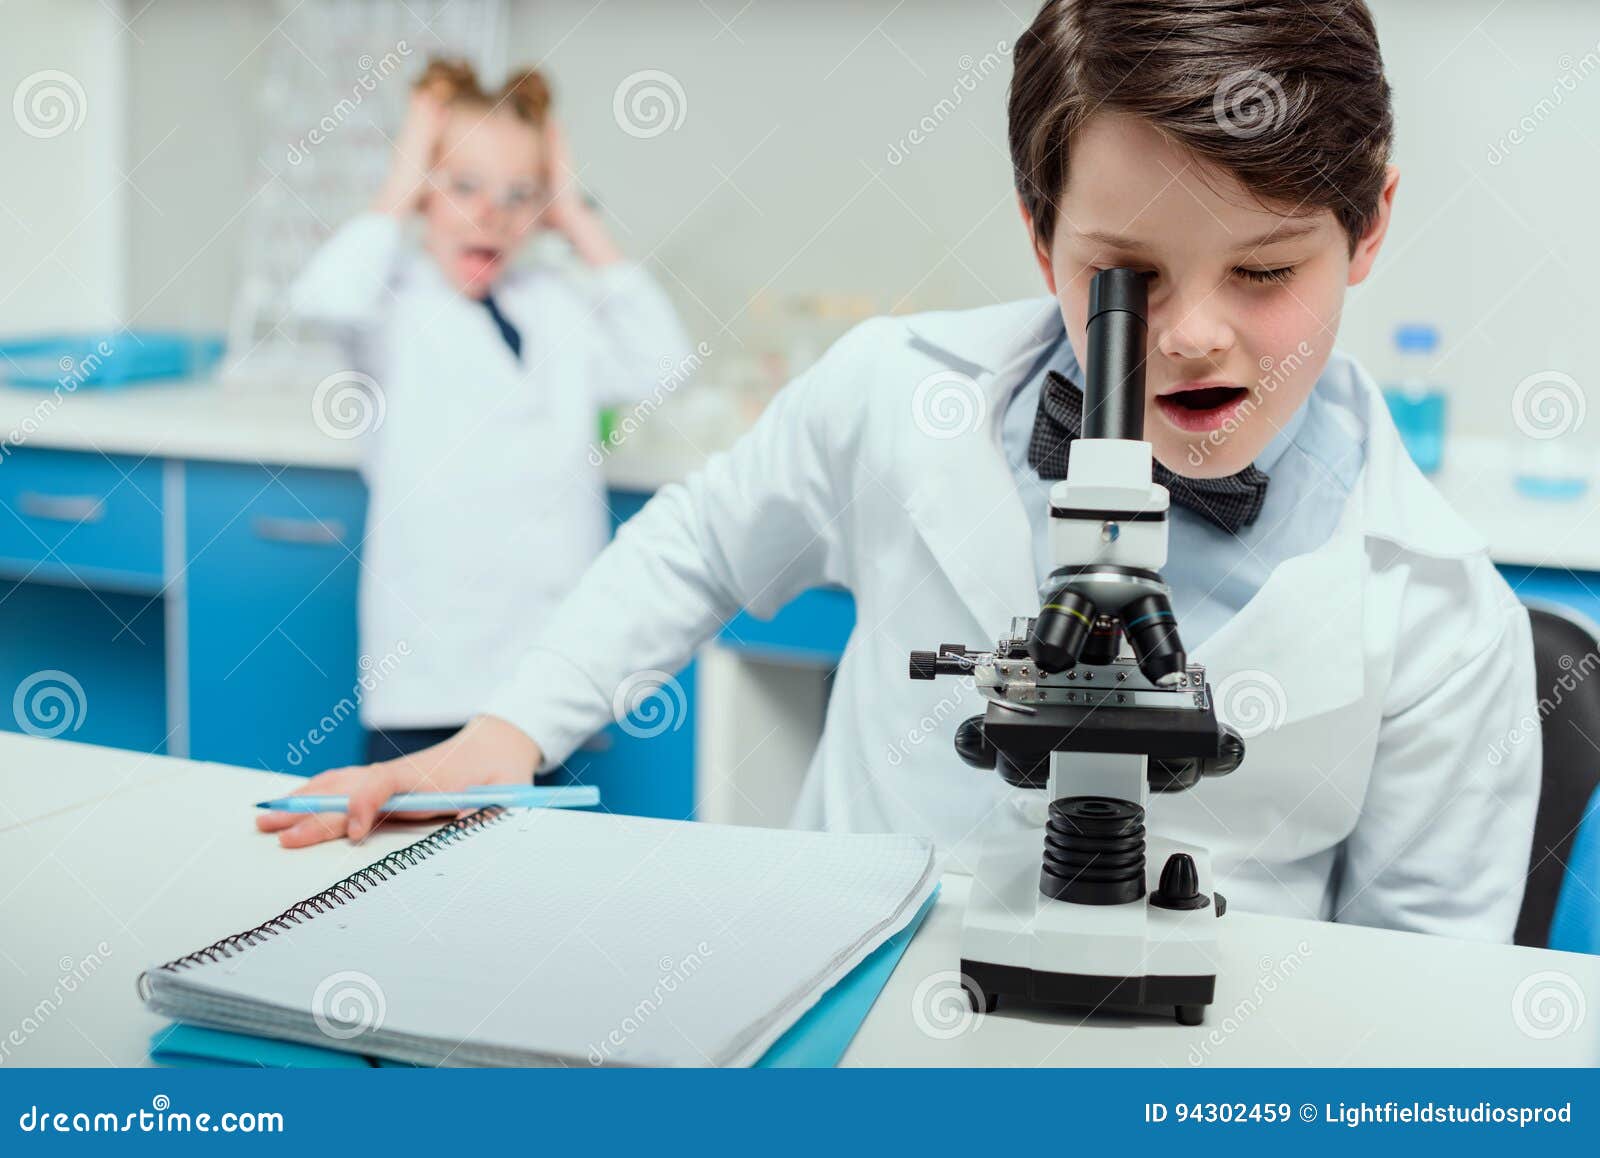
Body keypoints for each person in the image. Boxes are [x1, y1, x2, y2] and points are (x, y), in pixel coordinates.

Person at [263, 2, 1539, 945]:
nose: (1195, 334)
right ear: (1038, 232)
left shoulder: (1438, 612)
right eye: (1126, 279)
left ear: (1367, 224)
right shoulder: (891, 393)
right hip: (843, 1015)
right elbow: (696, 542)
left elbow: (1424, 999)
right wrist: (507, 731)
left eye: (1262, 273)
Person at [286, 58, 690, 765]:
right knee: (408, 864)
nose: (490, 213)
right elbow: (323, 297)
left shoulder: (556, 302)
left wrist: (571, 211)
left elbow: (664, 362)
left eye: (519, 195)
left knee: (536, 867)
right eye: (463, 186)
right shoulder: (394, 306)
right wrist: (402, 180)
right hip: (426, 677)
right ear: (423, 195)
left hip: (542, 680)